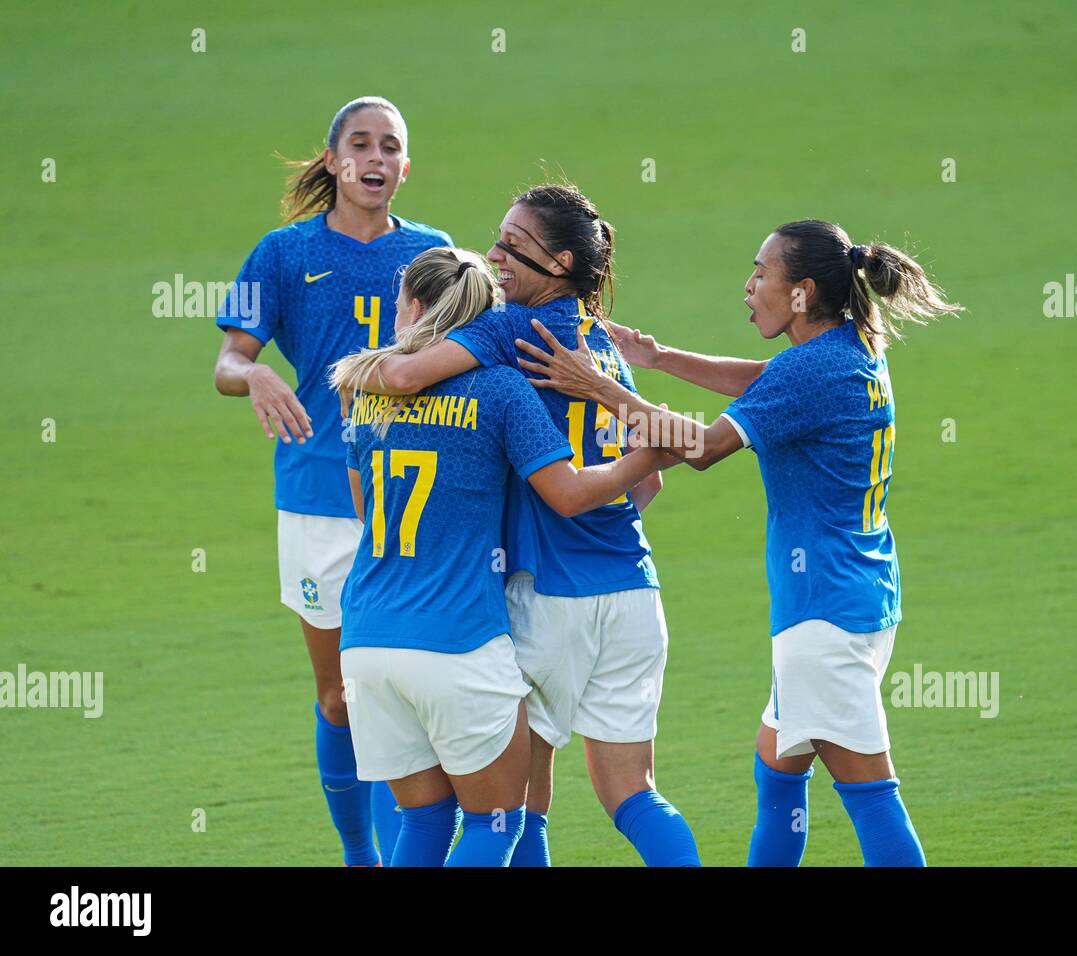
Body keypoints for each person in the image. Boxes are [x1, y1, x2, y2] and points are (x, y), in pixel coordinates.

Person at [516, 219, 962, 866]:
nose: (748, 287)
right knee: (777, 765)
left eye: (761, 273)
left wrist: (599, 388)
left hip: (825, 616)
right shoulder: (851, 349)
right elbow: (763, 379)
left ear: (803, 292)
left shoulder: (813, 371)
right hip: (858, 596)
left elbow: (703, 448)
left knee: (870, 794)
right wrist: (658, 357)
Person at [351, 184, 700, 867]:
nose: (496, 256)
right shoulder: (602, 347)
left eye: (514, 246)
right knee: (636, 797)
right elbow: (650, 477)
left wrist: (363, 371)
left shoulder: (505, 331)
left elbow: (404, 374)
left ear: (562, 262)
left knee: (516, 811)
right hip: (633, 590)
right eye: (498, 238)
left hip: (545, 597)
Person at [212, 96, 451, 866]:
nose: (376, 158)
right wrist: (252, 376)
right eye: (360, 144)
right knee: (343, 696)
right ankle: (361, 856)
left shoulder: (436, 255)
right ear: (332, 161)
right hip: (318, 498)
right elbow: (227, 360)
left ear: (406, 166)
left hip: (414, 494)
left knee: (403, 696)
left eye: (391, 146)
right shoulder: (280, 255)